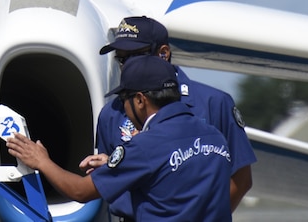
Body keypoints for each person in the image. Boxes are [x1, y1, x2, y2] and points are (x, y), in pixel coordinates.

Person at [6, 55, 233, 222]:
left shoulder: (145, 146)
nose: (122, 108)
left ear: (140, 100)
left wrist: (42, 161)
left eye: (123, 99)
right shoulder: (214, 136)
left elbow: (80, 191)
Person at [95, 16, 256, 220]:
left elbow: (241, 179)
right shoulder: (111, 113)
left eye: (135, 56)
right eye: (122, 59)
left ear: (163, 53)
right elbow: (106, 184)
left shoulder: (214, 103)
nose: (127, 66)